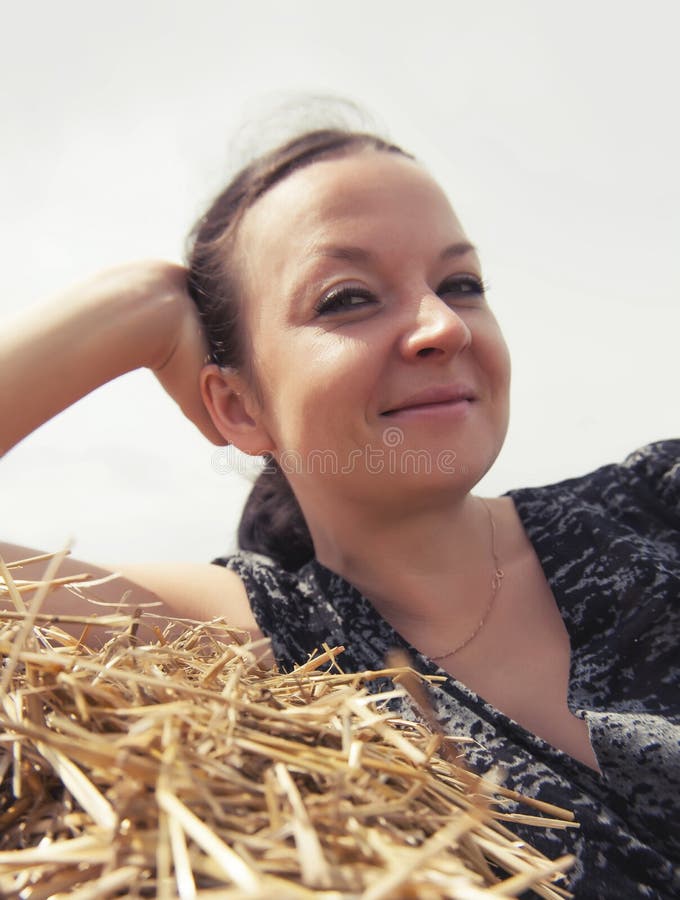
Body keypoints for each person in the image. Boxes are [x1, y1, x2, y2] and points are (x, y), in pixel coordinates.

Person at [1, 128, 678, 898]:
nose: (445, 326)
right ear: (238, 407)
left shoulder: (658, 505)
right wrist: (136, 303)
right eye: (347, 298)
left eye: (461, 283)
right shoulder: (263, 641)